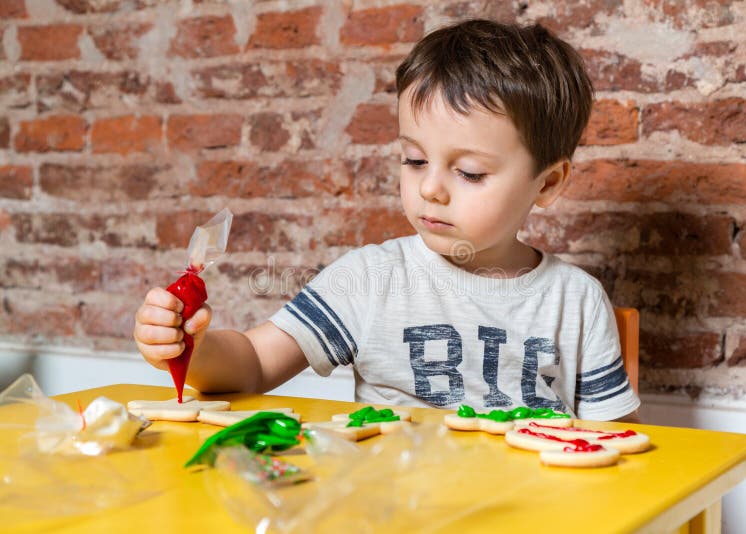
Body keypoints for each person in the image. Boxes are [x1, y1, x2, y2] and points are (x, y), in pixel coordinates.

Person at [134, 19, 640, 422]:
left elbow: (617, 451)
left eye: (469, 172)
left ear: (547, 184)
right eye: (414, 160)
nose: (429, 188)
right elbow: (253, 364)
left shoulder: (575, 302)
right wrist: (191, 349)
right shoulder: (370, 280)